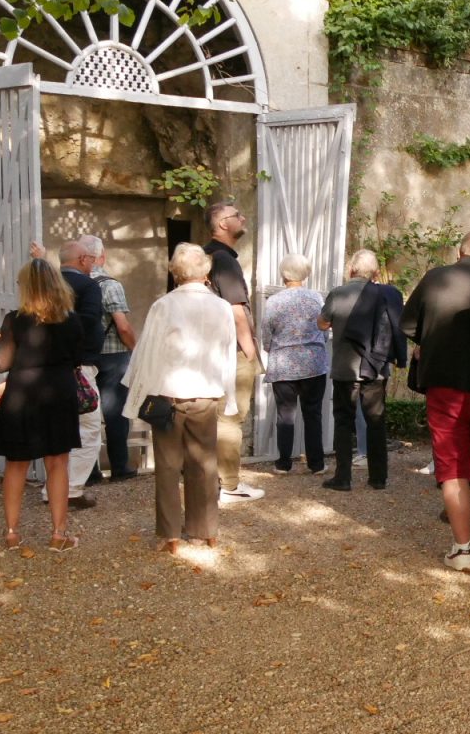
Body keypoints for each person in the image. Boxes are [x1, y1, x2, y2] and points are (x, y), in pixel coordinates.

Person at [401, 230, 470, 572]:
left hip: (446, 386)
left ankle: (461, 549)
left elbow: (408, 326)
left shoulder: (436, 278)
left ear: (459, 252)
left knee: (452, 469)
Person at [121, 244, 238, 553]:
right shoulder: (222, 307)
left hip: (170, 394)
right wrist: (228, 392)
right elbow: (228, 353)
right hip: (206, 392)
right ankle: (205, 530)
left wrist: (139, 387)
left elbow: (148, 351)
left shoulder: (164, 305)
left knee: (169, 466)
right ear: (206, 271)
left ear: (175, 272)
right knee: (204, 464)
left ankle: (170, 533)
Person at [0, 259, 83, 551]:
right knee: (58, 465)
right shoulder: (72, 319)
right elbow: (78, 357)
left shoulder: (14, 319)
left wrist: (0, 343)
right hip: (59, 391)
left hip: (22, 393)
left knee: (16, 465)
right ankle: (58, 534)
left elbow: (1, 362)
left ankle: (12, 532)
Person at [319, 249, 406, 491]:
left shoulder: (338, 293)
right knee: (376, 421)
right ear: (376, 273)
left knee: (343, 423)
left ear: (351, 270)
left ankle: (343, 477)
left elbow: (322, 322)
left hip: (345, 370)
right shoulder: (386, 295)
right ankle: (378, 478)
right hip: (376, 369)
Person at [203, 202, 265, 504]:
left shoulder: (209, 257)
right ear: (222, 224)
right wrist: (249, 347)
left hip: (215, 349)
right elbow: (235, 307)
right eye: (237, 216)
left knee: (219, 416)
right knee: (230, 416)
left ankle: (215, 480)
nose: (243, 218)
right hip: (232, 350)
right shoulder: (224, 260)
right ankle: (229, 484)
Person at [43, 239, 104, 509]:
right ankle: (70, 489)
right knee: (89, 427)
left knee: (55, 428)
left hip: (45, 366)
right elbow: (90, 320)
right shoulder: (88, 286)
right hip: (79, 366)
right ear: (82, 260)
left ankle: (52, 488)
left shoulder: (45, 284)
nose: (93, 263)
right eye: (91, 258)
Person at [261, 254, 328, 475]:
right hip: (313, 362)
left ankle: (283, 463)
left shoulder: (274, 301)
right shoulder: (316, 298)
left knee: (285, 414)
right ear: (306, 274)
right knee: (313, 414)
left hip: (283, 364)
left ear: (283, 274)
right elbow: (324, 328)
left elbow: (267, 333)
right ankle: (316, 464)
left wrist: (272, 348)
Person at [81, 234, 138, 482]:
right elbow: (123, 326)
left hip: (86, 356)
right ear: (101, 257)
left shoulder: (73, 284)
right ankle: (120, 467)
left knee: (86, 414)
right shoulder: (110, 285)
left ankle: (90, 471)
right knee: (116, 415)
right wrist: (135, 349)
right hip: (114, 355)